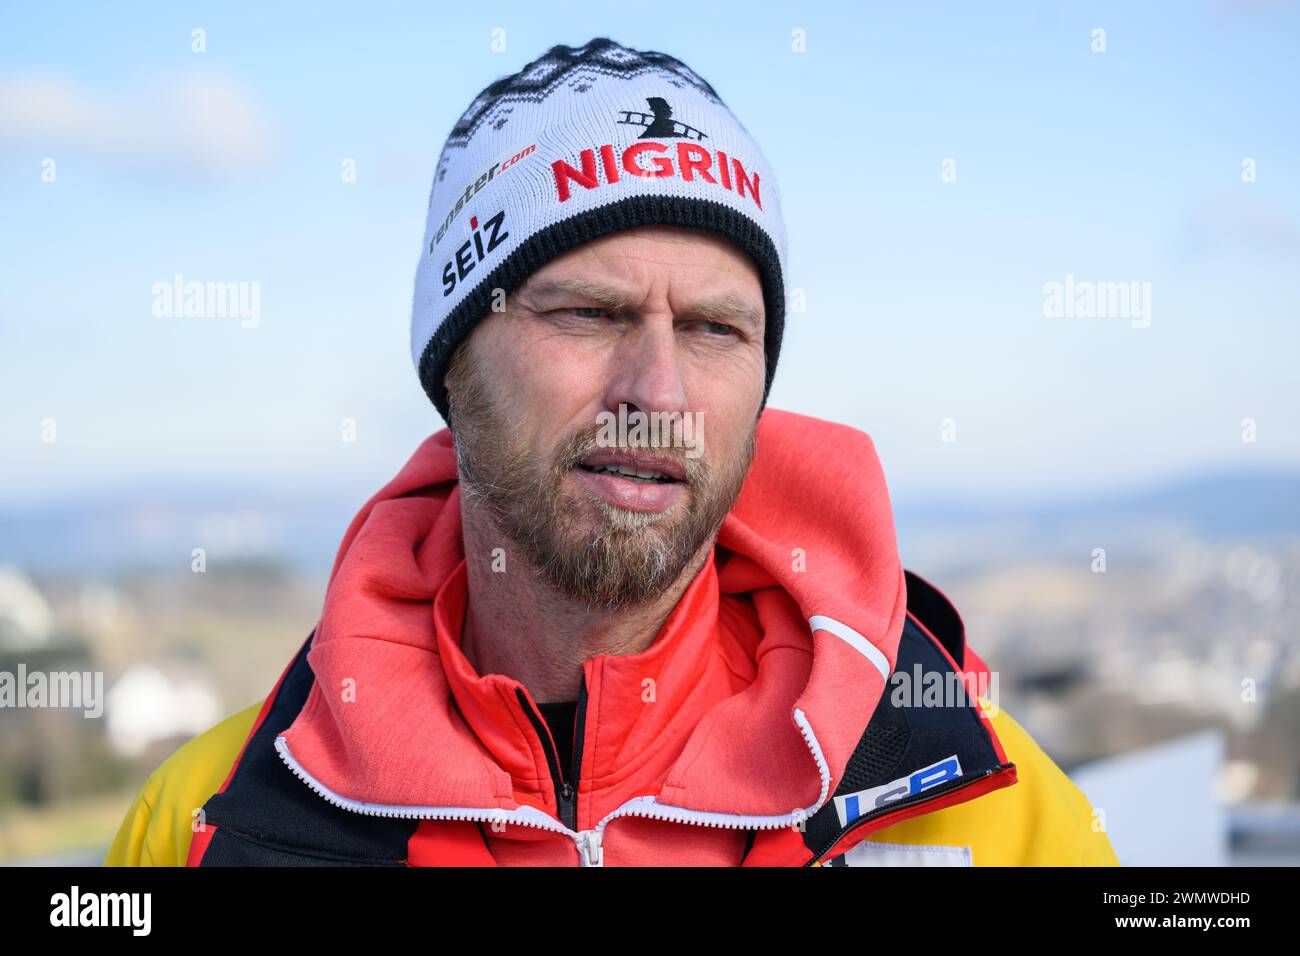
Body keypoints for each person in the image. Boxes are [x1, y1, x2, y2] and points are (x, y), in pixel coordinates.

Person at [105, 37, 1118, 867]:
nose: (659, 392)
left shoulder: (990, 815)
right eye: (589, 312)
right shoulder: (211, 823)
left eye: (717, 330)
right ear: (454, 361)